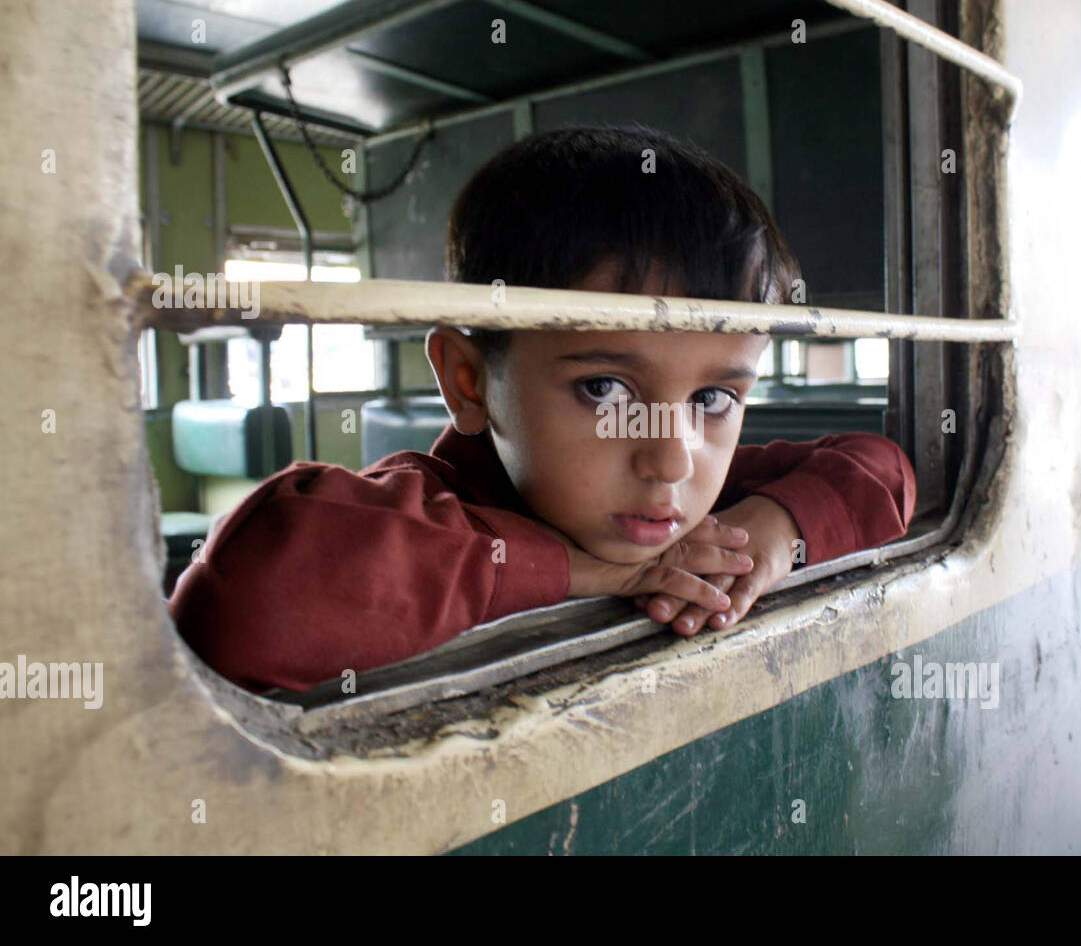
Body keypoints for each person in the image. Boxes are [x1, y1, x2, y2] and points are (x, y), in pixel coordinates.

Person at [168, 125, 916, 693]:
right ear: (469, 381)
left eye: (715, 397)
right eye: (605, 390)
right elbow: (244, 605)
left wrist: (776, 533)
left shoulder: (698, 507)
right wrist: (593, 574)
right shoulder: (413, 519)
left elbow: (881, 469)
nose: (672, 458)